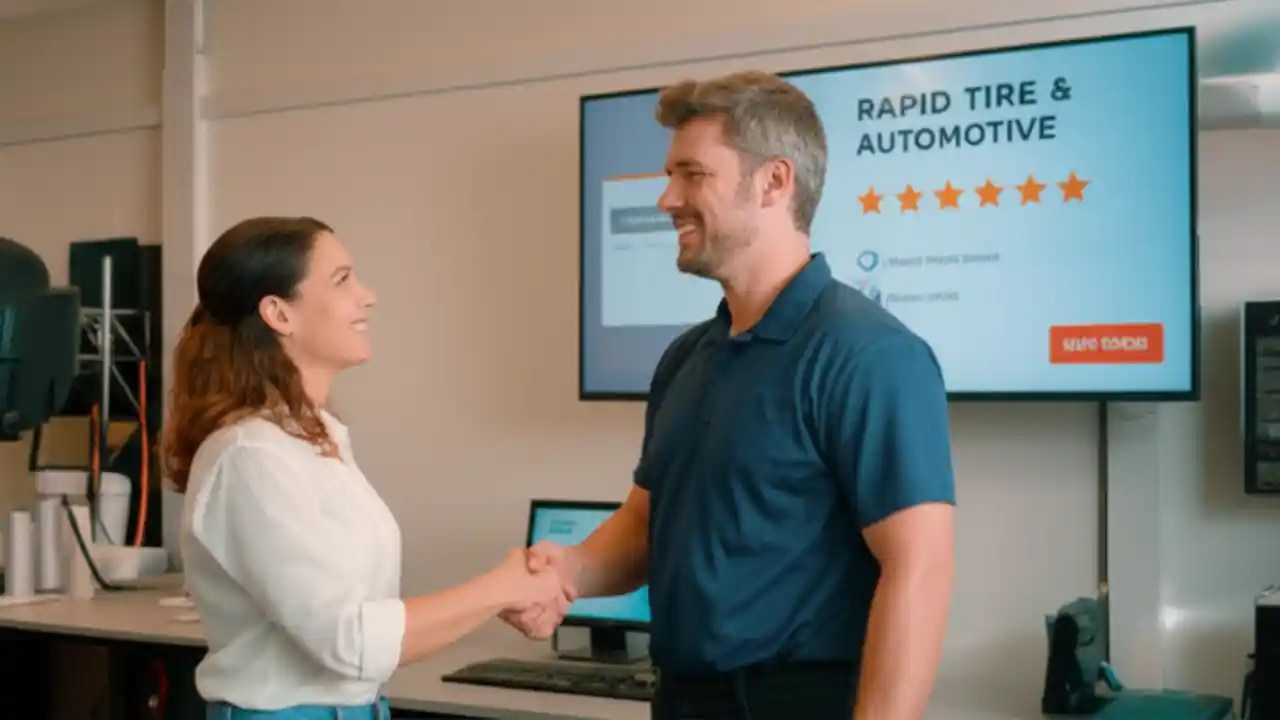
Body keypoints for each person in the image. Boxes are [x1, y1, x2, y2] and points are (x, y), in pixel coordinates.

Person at [503, 71, 957, 719]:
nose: (667, 199)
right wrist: (568, 570)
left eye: (693, 174)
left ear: (774, 182)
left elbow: (920, 568)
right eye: (670, 176)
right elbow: (644, 525)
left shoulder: (870, 354)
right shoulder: (687, 357)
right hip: (682, 699)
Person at [162, 217, 571, 719]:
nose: (368, 296)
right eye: (342, 280)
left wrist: (494, 599)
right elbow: (351, 644)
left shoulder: (315, 440)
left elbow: (363, 629)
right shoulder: (250, 457)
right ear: (278, 313)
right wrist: (500, 587)